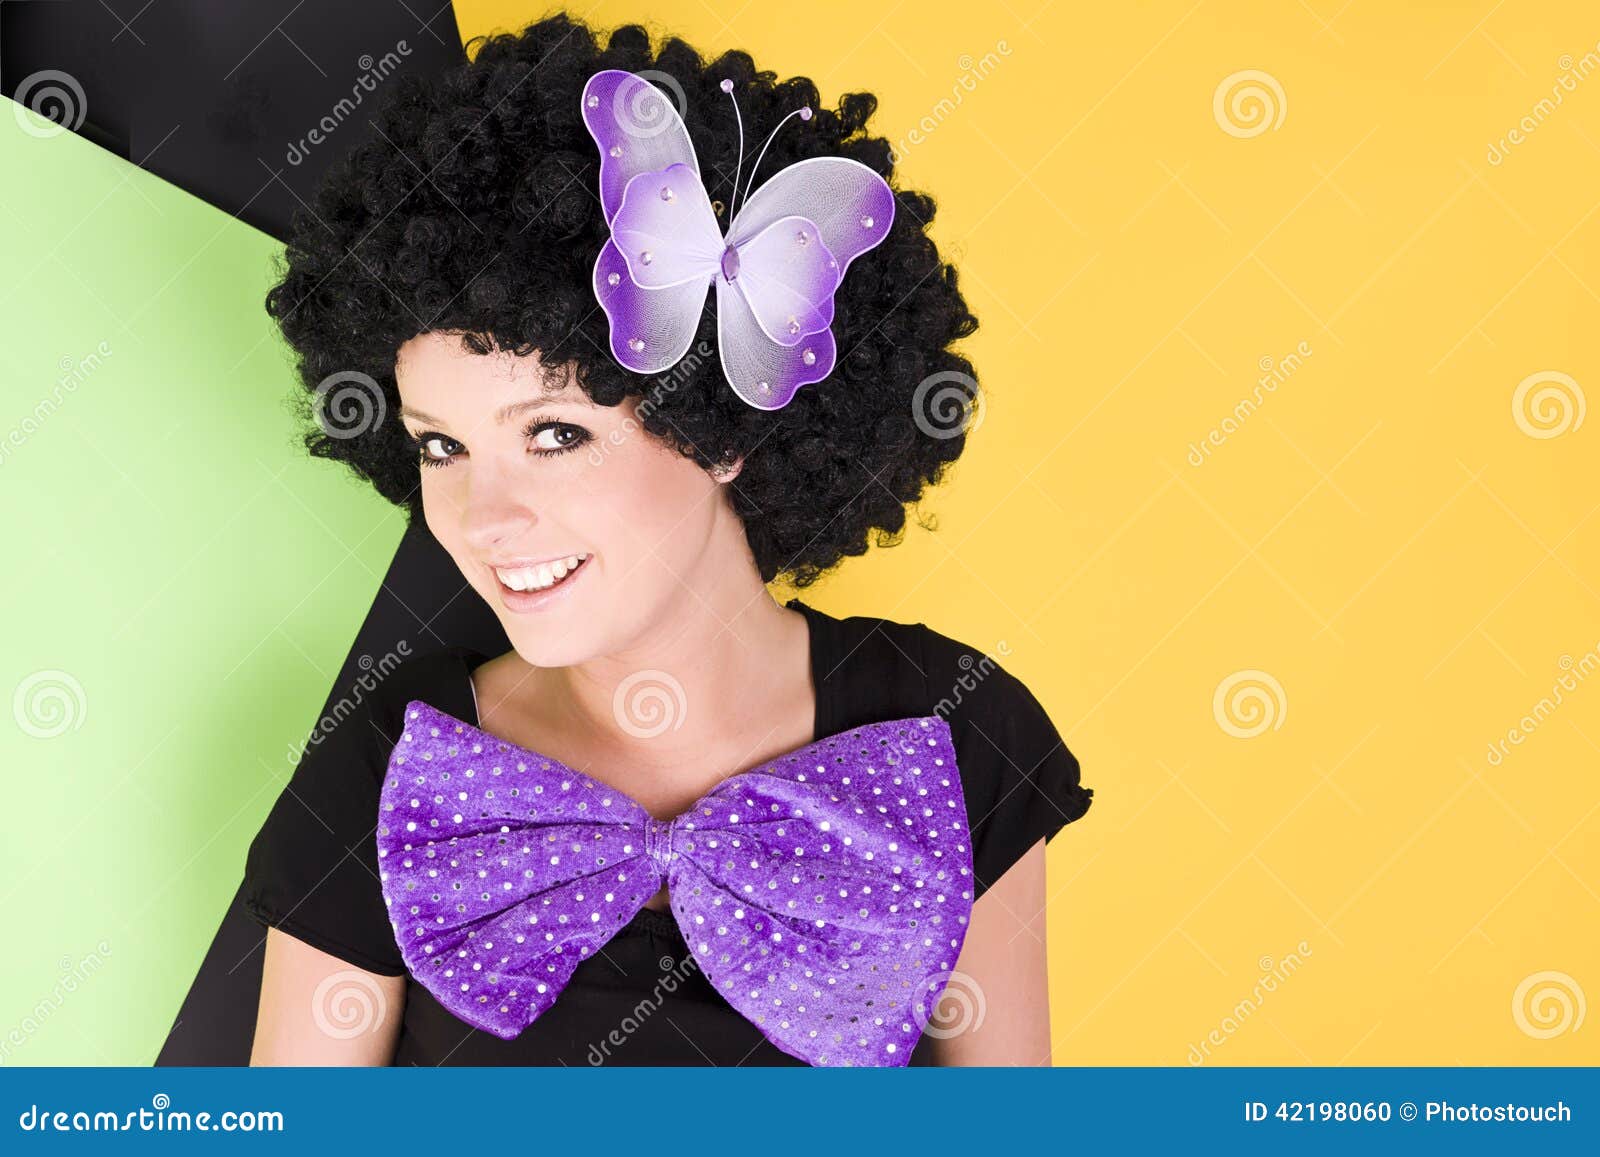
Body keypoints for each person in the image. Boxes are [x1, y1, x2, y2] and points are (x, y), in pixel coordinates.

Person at [243, 11, 1092, 1066]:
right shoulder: (395, 757)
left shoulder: (954, 731)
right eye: (441, 447)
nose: (484, 517)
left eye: (554, 434)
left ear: (720, 428)